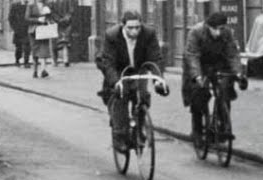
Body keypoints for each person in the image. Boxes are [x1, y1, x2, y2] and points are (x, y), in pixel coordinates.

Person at [95, 10, 165, 150]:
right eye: (130, 28)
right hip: (119, 69)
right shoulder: (112, 35)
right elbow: (108, 62)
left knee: (142, 96)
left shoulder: (149, 33)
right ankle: (119, 136)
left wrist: (158, 78)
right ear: (123, 26)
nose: (135, 31)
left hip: (139, 68)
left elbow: (155, 57)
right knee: (121, 96)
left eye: (138, 27)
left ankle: (139, 129)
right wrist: (116, 82)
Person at [182, 11, 246, 144]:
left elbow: (232, 54)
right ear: (207, 26)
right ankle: (197, 130)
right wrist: (198, 77)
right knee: (199, 93)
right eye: (214, 29)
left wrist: (239, 74)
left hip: (218, 64)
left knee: (225, 90)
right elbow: (192, 56)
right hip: (199, 64)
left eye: (221, 29)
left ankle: (223, 126)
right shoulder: (196, 32)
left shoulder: (227, 33)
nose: (218, 33)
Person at [26, 0, 53, 78]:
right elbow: (27, 18)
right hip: (34, 30)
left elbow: (51, 16)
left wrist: (48, 15)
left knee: (44, 50)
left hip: (44, 30)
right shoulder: (30, 5)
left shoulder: (47, 5)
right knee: (35, 50)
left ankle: (43, 70)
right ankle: (35, 70)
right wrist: (38, 19)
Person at [48, 0, 76, 66]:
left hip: (59, 23)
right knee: (61, 42)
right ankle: (59, 60)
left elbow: (70, 11)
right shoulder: (53, 0)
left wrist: (60, 19)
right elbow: (70, 12)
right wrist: (64, 19)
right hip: (60, 23)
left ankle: (61, 60)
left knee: (63, 42)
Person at [7, 0, 31, 68]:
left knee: (27, 46)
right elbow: (11, 18)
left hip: (27, 29)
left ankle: (26, 62)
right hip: (18, 30)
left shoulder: (29, 6)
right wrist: (14, 28)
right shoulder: (14, 5)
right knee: (19, 47)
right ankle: (17, 60)